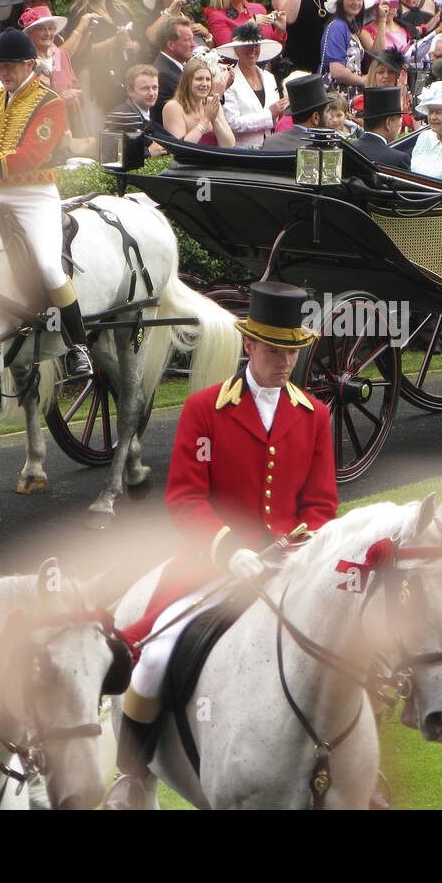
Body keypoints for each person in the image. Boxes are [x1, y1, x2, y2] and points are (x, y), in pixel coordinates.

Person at [108, 280, 338, 803]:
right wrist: (230, 550)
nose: (285, 363)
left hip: (287, 569)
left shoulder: (315, 416)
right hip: (211, 566)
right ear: (250, 345)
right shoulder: (205, 410)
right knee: (156, 657)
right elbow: (186, 499)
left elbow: (321, 506)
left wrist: (300, 549)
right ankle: (131, 775)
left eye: (293, 352)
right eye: (276, 351)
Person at [0, 29, 93, 378]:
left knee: (47, 266)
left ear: (29, 65)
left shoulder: (50, 102)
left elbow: (30, 156)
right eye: (0, 66)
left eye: (10, 66)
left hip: (33, 197)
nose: (4, 72)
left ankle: (78, 344)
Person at [219, 22, 284, 149]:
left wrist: (282, 112)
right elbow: (232, 123)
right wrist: (269, 114)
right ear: (236, 49)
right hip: (242, 152)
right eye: (247, 46)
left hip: (270, 149)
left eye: (256, 45)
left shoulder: (269, 78)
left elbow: (276, 119)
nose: (253, 50)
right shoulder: (228, 79)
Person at [161, 56, 235, 146]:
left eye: (208, 79)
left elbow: (229, 145)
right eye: (199, 79)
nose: (204, 84)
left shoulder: (213, 103)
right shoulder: (173, 107)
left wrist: (214, 120)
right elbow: (180, 148)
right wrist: (205, 120)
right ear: (187, 82)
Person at [262, 71, 330, 151]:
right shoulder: (324, 147)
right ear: (315, 118)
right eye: (327, 112)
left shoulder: (270, 142)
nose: (330, 117)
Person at [351, 84, 411, 168]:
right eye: (399, 120)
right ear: (388, 122)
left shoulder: (349, 149)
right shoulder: (397, 159)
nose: (399, 125)